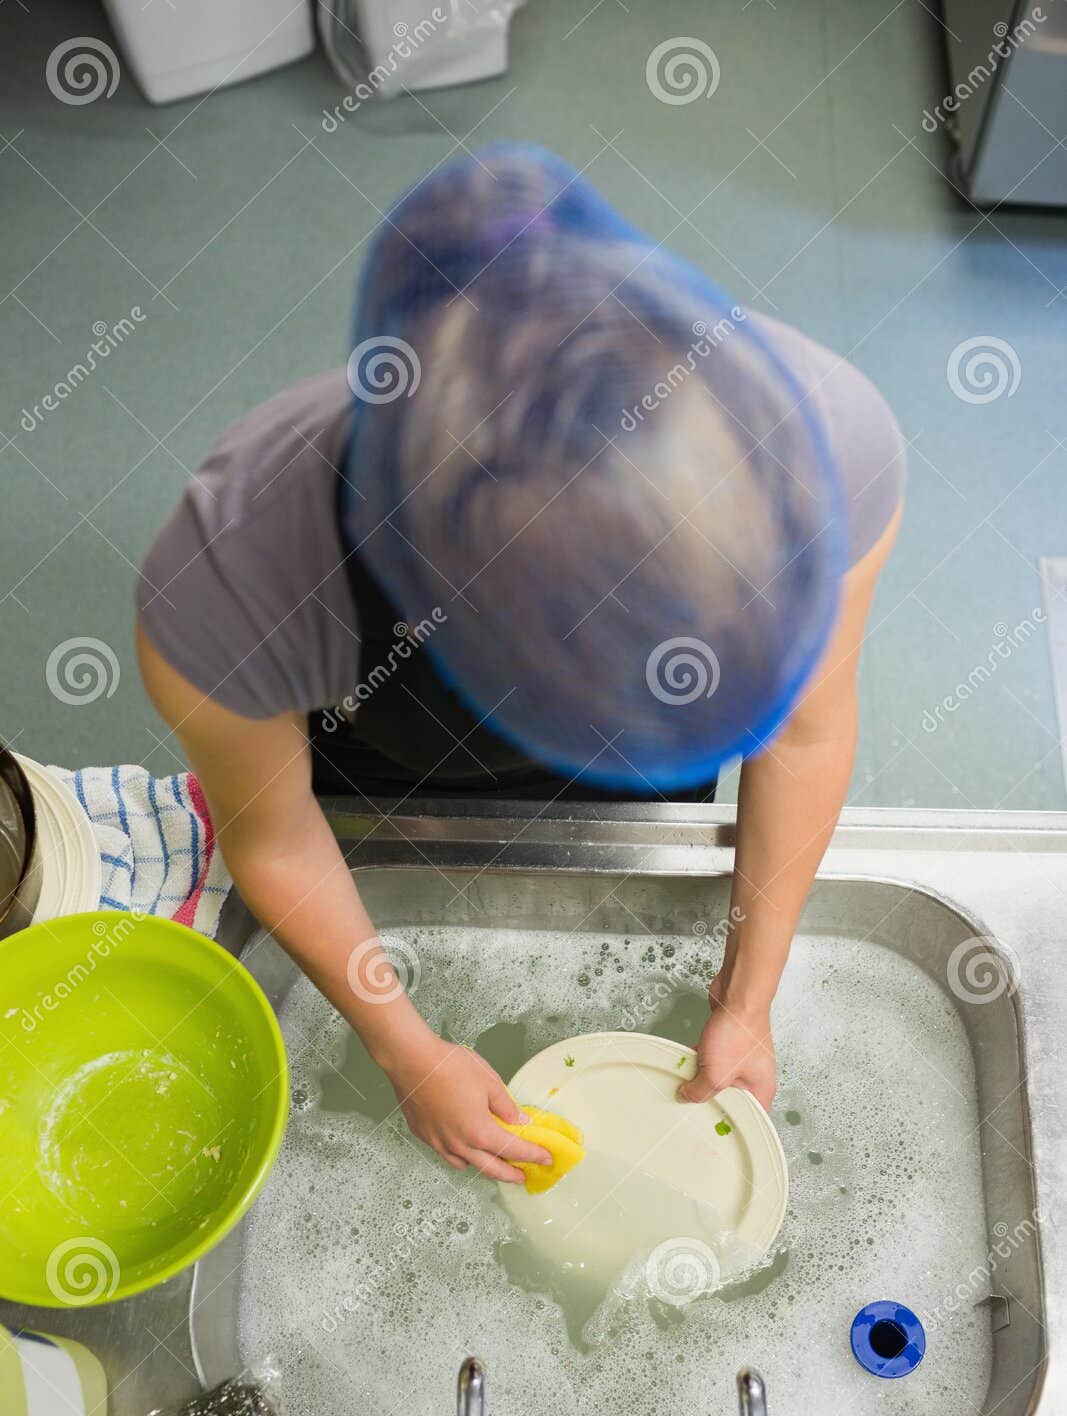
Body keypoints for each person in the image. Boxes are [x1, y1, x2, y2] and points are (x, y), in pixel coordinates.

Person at [137, 145, 904, 1183]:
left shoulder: (830, 443)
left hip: (646, 783)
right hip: (388, 768)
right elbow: (270, 834)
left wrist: (744, 999)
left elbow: (808, 726)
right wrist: (404, 1047)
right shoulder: (232, 577)